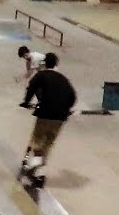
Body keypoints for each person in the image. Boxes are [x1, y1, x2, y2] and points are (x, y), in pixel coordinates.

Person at [19, 52, 76, 188]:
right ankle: (40, 174)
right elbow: (72, 96)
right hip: (60, 118)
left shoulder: (42, 75)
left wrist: (26, 102)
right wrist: (65, 110)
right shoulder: (63, 78)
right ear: (56, 64)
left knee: (38, 142)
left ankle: (33, 167)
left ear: (45, 63)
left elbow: (31, 87)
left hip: (46, 114)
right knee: (48, 144)